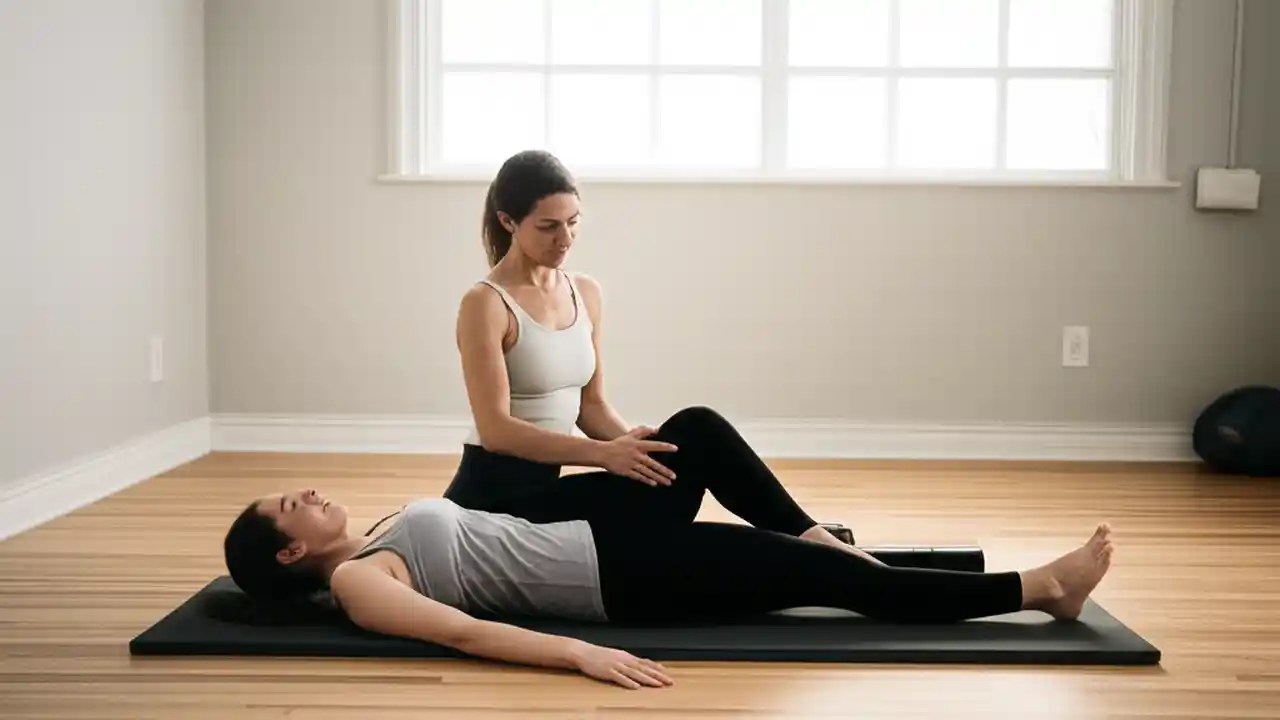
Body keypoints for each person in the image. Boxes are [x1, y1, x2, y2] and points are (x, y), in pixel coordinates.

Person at [222, 486, 1115, 690]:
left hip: (610, 548)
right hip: (618, 587)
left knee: (813, 565)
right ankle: (1040, 590)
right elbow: (462, 634)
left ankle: (1016, 585)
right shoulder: (359, 586)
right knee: (827, 576)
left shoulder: (376, 533)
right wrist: (580, 655)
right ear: (292, 555)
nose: (304, 494)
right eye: (287, 508)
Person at [445, 149, 864, 558]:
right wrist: (605, 456)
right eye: (548, 226)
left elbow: (590, 407)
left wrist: (633, 448)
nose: (566, 238)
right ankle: (813, 545)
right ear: (508, 222)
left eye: (574, 222)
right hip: (494, 502)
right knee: (681, 468)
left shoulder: (584, 292)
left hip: (549, 490)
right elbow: (496, 431)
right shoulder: (485, 303)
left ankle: (813, 538)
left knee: (698, 431)